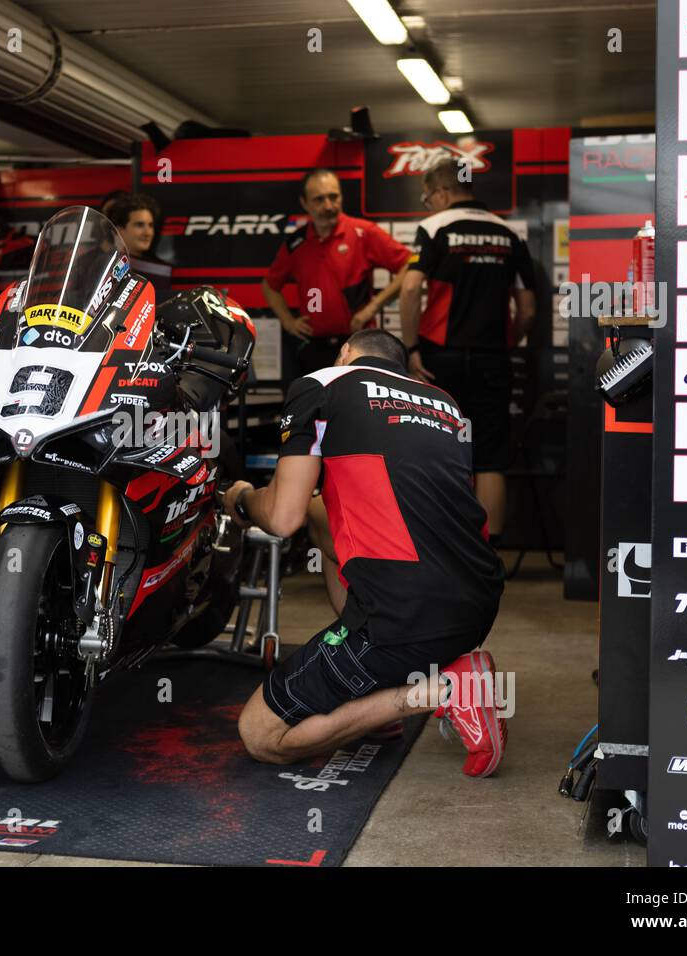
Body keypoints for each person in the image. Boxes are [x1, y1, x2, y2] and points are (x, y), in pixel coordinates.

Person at [222, 328, 507, 776]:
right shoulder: (444, 403)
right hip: (476, 603)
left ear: (345, 353)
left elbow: (281, 518)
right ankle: (374, 695)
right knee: (322, 514)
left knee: (262, 735)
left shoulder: (322, 384)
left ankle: (443, 689)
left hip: (405, 617)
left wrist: (240, 498)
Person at [399, 158, 537, 546]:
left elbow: (409, 290)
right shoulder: (510, 233)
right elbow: (527, 309)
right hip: (493, 357)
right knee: (490, 456)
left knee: (434, 448)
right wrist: (505, 345)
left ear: (442, 192)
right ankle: (487, 553)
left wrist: (410, 348)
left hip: (439, 359)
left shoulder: (434, 227)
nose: (429, 205)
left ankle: (438, 545)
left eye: (428, 198)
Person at [262, 168, 411, 382]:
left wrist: (373, 306)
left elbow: (410, 264)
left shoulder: (363, 232)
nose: (329, 206)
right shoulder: (297, 243)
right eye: (319, 199)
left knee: (356, 412)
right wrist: (288, 322)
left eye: (334, 197)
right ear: (304, 203)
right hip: (314, 348)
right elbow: (269, 286)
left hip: (358, 347)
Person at [104, 191, 172, 299]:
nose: (147, 233)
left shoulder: (160, 270)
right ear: (120, 229)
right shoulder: (104, 265)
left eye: (150, 225)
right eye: (139, 225)